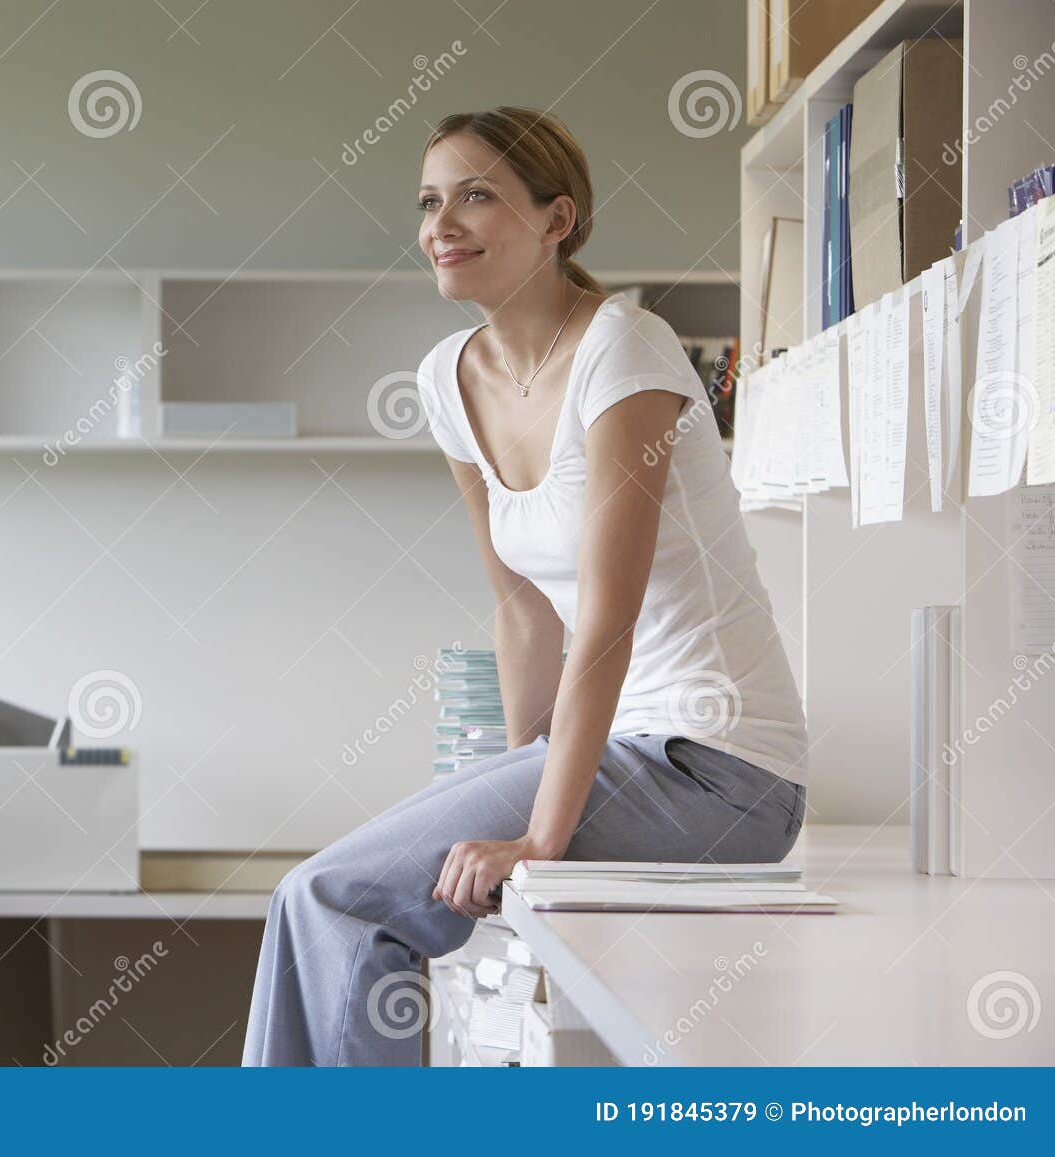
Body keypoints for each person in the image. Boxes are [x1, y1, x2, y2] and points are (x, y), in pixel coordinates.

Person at [242, 107, 809, 1067]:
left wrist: (539, 834)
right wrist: (513, 781)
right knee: (327, 896)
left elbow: (608, 618)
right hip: (621, 755)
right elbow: (522, 607)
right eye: (428, 201)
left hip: (719, 766)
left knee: (330, 897)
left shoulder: (623, 348)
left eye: (476, 196)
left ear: (557, 220)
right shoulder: (446, 378)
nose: (440, 224)